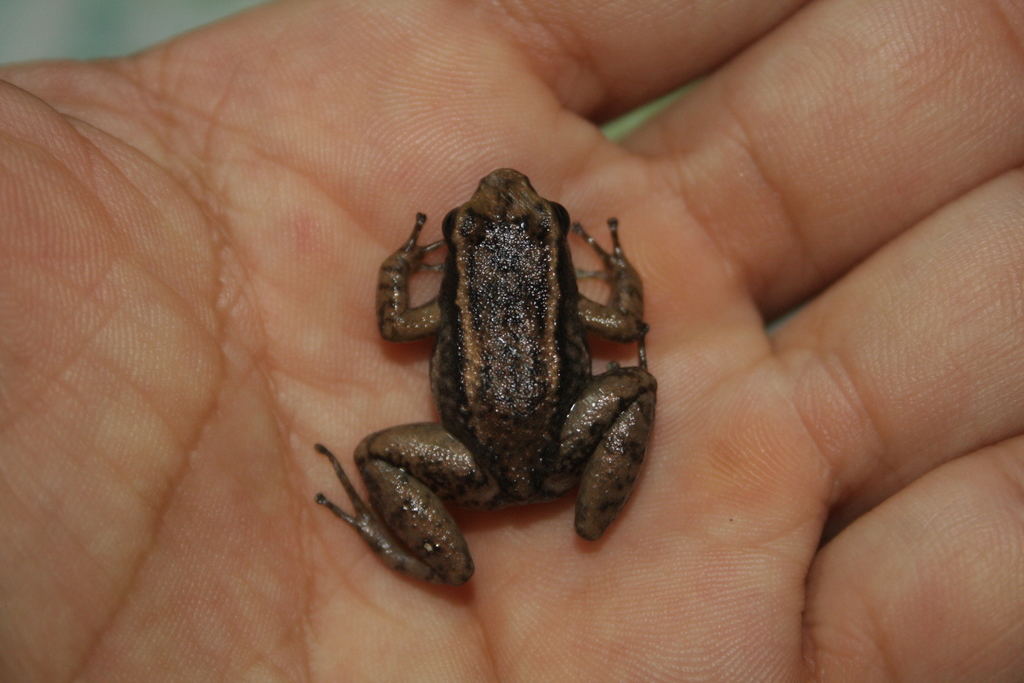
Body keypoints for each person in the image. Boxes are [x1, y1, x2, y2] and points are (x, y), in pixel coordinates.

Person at [2, 0, 1022, 680]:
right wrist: (607, 269)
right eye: (486, 224)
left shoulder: (442, 296)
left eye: (522, 221)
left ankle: (406, 545)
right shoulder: (571, 296)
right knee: (638, 383)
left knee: (371, 453)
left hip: (478, 472)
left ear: (494, 253)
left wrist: (400, 261)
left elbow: (397, 321)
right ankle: (550, 520)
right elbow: (626, 325)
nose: (504, 203)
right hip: (549, 445)